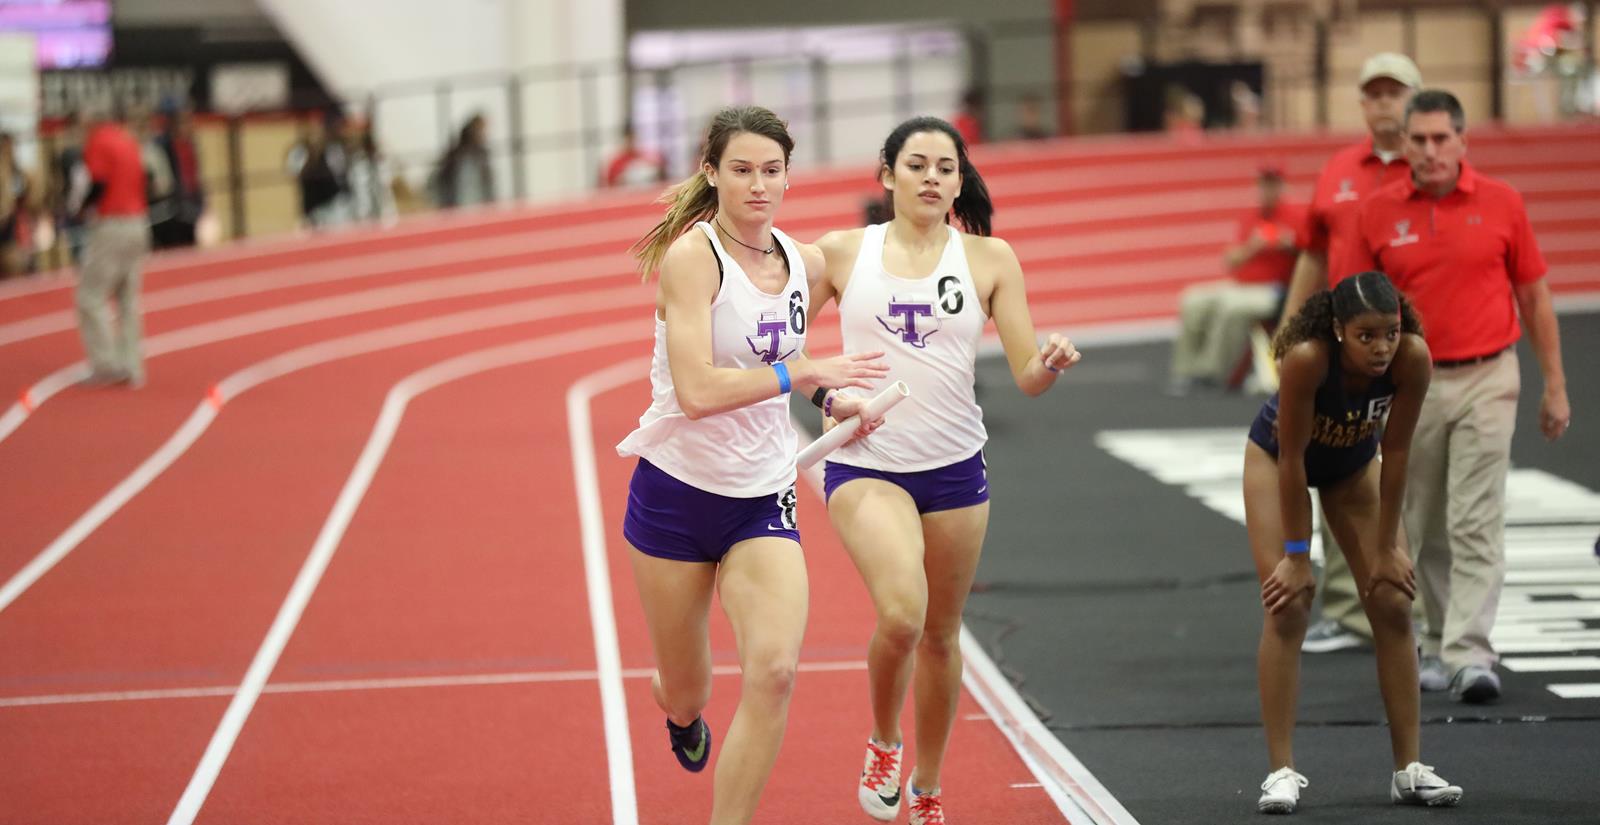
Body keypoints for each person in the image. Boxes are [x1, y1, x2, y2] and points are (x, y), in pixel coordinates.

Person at [618, 105, 890, 825]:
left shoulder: (805, 262)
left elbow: (810, 369)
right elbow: (698, 390)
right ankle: (678, 709)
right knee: (687, 687)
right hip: (675, 495)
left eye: (771, 171)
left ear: (788, 176)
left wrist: (836, 397)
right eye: (741, 170)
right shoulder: (692, 259)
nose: (757, 185)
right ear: (712, 172)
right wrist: (801, 373)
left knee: (774, 671)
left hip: (761, 496)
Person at [810, 115, 1081, 825]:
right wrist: (821, 388)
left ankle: (928, 786)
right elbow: (777, 333)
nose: (932, 177)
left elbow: (1025, 375)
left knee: (941, 634)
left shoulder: (991, 259)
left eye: (945, 167)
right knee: (902, 613)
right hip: (868, 462)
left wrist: (1048, 365)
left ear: (960, 180)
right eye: (917, 164)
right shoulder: (841, 253)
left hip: (956, 470)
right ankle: (884, 740)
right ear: (886, 174)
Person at [1349, 89, 1571, 703]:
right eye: (1418, 140)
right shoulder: (1378, 211)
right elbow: (1353, 307)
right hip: (1412, 383)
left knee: (1476, 515)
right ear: (1406, 145)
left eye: (1441, 138)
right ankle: (1439, 636)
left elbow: (1534, 295)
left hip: (1489, 375)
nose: (1429, 151)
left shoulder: (1502, 203)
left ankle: (1471, 653)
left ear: (1462, 141)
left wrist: (1554, 384)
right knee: (1422, 519)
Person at [1246, 270, 1461, 814]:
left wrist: (1387, 548)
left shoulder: (1413, 359)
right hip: (1277, 462)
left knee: (1391, 599)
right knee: (1288, 605)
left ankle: (1408, 769)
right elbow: (1294, 460)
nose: (1382, 347)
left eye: (1389, 332)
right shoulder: (1307, 360)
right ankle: (1281, 772)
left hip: (1352, 465)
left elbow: (1399, 455)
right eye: (1367, 336)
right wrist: (1298, 558)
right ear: (1340, 330)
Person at [1277, 52, 1423, 656]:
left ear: (1417, 97)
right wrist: (1288, 328)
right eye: (1375, 93)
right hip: (1341, 354)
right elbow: (1312, 252)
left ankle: (1414, 608)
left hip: (1399, 349)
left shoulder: (1427, 168)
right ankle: (1347, 605)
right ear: (1362, 103)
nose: (1384, 102)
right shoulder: (1338, 169)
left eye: (1396, 92)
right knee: (1336, 470)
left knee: (1405, 476)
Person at [1167, 164, 1305, 395]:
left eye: (1272, 185)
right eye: (1263, 185)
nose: (1267, 190)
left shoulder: (1296, 216)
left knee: (1231, 307)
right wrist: (1253, 246)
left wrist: (1287, 242)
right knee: (1192, 300)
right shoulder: (1251, 216)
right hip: (1242, 284)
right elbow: (1231, 260)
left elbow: (1309, 253)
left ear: (1281, 187)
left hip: (1275, 288)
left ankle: (1211, 371)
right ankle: (1186, 370)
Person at [75, 104, 150, 387]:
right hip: (138, 222)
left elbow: (98, 182)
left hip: (113, 223)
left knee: (89, 297)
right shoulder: (127, 140)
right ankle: (132, 364)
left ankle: (106, 364)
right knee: (128, 298)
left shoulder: (99, 141)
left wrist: (82, 208)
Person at [602, 125, 668, 188]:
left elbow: (662, 174)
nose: (631, 142)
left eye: (633, 138)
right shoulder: (616, 163)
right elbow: (610, 186)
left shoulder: (649, 157)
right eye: (629, 139)